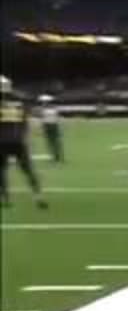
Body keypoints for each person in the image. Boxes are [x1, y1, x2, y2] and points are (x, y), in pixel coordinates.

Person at [0, 74, 49, 210]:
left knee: (2, 171)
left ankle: (6, 198)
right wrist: (25, 135)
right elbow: (26, 120)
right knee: (28, 169)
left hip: (2, 141)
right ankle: (38, 196)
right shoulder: (20, 100)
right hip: (18, 140)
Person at [34, 94, 64, 164]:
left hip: (49, 126)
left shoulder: (43, 109)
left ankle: (56, 157)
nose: (42, 103)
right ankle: (57, 157)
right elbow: (57, 117)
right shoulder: (54, 108)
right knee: (55, 142)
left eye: (43, 102)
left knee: (52, 142)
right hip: (53, 125)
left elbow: (41, 117)